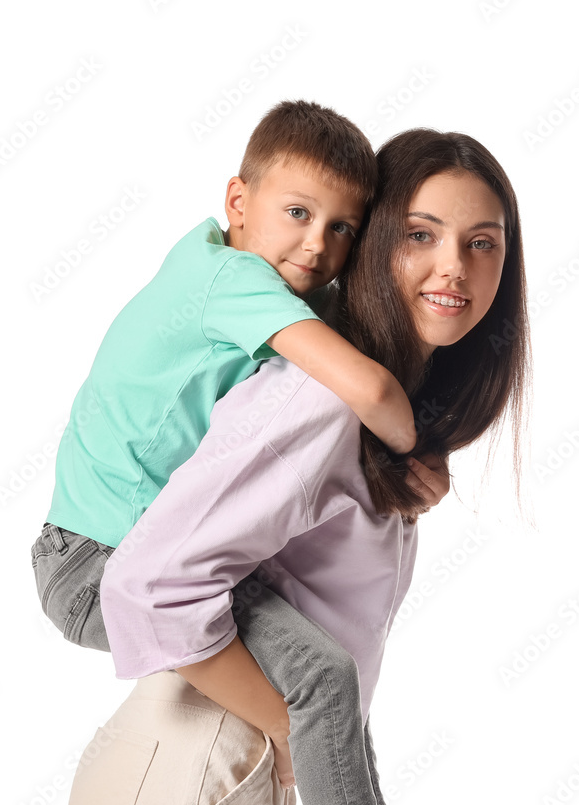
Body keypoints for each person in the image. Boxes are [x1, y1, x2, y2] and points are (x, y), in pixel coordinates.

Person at [66, 127, 530, 805]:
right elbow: (148, 586)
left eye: (482, 243)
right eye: (420, 235)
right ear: (374, 243)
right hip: (199, 770)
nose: (454, 267)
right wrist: (290, 725)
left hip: (234, 765)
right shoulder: (324, 392)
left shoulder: (372, 400)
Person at [32, 101, 423, 651]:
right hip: (101, 562)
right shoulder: (235, 280)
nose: (318, 244)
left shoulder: (238, 267)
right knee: (318, 673)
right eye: (298, 213)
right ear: (238, 201)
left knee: (310, 651)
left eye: (342, 228)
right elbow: (373, 389)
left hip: (107, 554)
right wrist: (414, 456)